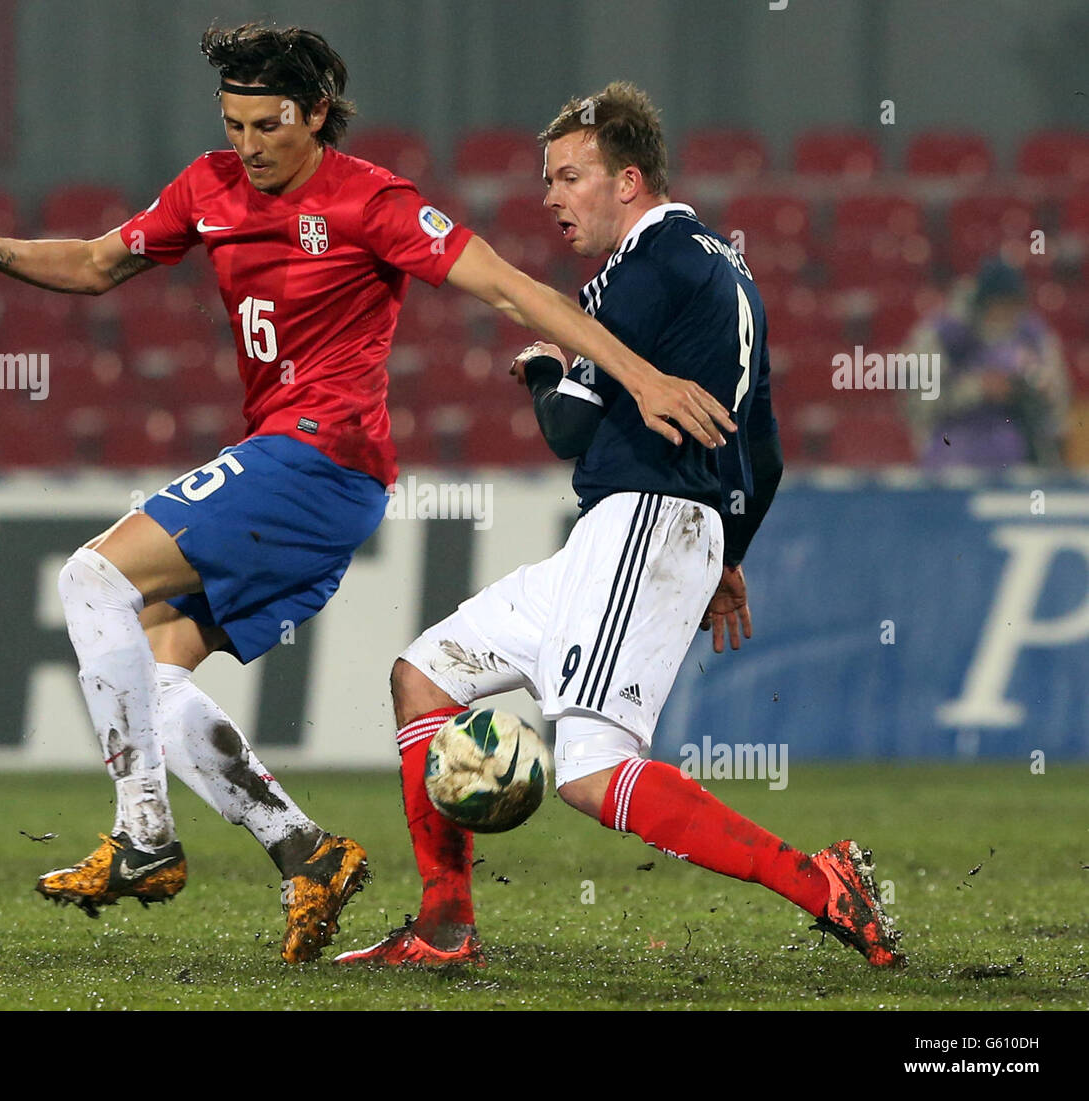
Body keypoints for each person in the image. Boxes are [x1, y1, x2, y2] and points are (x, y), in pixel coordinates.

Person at [0, 27, 735, 963]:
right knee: (154, 671)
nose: (249, 145)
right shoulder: (209, 187)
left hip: (320, 460)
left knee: (88, 578)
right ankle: (304, 852)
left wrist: (637, 375)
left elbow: (514, 293)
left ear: (314, 115)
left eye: (269, 124)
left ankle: (143, 833)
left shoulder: (370, 200)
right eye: (233, 125)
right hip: (296, 474)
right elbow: (102, 263)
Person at [336, 82, 904, 969]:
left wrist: (539, 366)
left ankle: (821, 881)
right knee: (425, 675)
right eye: (547, 180)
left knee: (590, 771)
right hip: (644, 532)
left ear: (629, 180)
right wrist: (729, 552)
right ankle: (445, 929)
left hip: (642, 523)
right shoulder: (727, 272)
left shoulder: (636, 271)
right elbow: (768, 450)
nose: (551, 197)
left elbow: (568, 429)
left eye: (569, 177)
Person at [905, 257, 1069, 469]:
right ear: (983, 303)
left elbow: (1057, 402)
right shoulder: (943, 336)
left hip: (1017, 452)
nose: (1004, 314)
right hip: (952, 451)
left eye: (1012, 305)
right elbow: (918, 406)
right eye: (998, 305)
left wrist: (1034, 391)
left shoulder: (1033, 336)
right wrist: (977, 388)